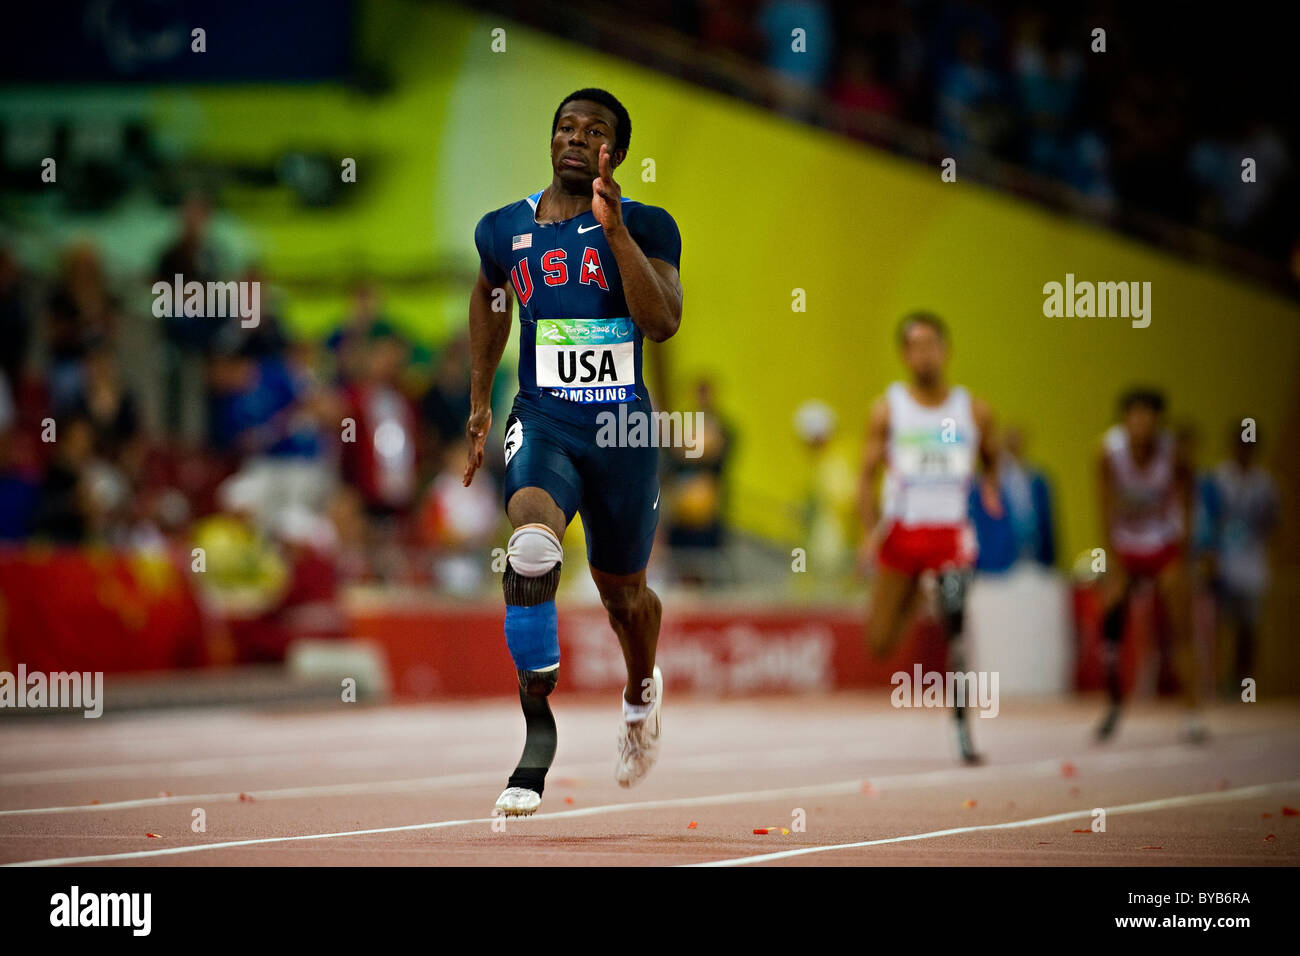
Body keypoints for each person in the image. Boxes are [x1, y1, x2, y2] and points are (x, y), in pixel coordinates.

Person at [463, 89, 683, 816]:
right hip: (543, 420)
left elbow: (662, 324)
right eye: (565, 126)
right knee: (529, 543)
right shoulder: (502, 229)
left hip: (621, 433)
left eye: (595, 132)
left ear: (614, 151)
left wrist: (614, 232)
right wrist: (476, 405)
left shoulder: (648, 224)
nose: (575, 139)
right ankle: (536, 735)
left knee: (624, 596)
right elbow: (491, 297)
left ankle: (640, 692)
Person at [857, 312, 1000, 764]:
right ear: (904, 355)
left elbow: (993, 459)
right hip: (902, 533)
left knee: (955, 631)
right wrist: (867, 532)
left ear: (946, 349)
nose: (924, 354)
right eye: (915, 347)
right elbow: (864, 477)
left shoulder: (973, 409)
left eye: (931, 345)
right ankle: (919, 593)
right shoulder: (888, 409)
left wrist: (991, 491)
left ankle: (962, 731)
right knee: (879, 643)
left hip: (952, 536)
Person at [1095, 389, 1204, 742]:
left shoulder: (1174, 455)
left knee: (1179, 624)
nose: (1140, 423)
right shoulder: (1108, 453)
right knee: (1111, 624)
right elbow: (1104, 509)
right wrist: (1111, 563)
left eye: (1147, 416)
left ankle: (1191, 712)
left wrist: (1183, 557)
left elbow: (1188, 505)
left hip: (1162, 545)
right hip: (1126, 547)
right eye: (1134, 415)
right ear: (1124, 420)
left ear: (1158, 421)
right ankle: (1113, 704)